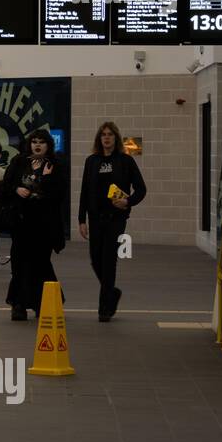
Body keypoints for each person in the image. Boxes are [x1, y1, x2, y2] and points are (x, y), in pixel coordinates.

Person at [78, 121, 148, 322]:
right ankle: (112, 293)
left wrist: (128, 202)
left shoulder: (125, 161)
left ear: (116, 138)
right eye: (103, 135)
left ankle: (104, 309)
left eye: (110, 134)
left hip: (116, 219)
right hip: (95, 218)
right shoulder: (91, 161)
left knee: (109, 261)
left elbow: (141, 189)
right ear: (99, 139)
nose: (106, 138)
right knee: (95, 259)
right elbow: (84, 192)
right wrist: (81, 220)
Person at [0, 129, 67, 321]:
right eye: (34, 141)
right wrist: (16, 189)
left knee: (41, 263)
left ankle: (42, 303)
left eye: (42, 142)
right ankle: (18, 304)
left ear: (48, 145)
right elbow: (4, 189)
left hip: (44, 224)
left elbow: (59, 194)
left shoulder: (55, 164)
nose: (37, 145)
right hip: (22, 222)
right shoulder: (19, 162)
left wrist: (44, 179)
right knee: (19, 263)